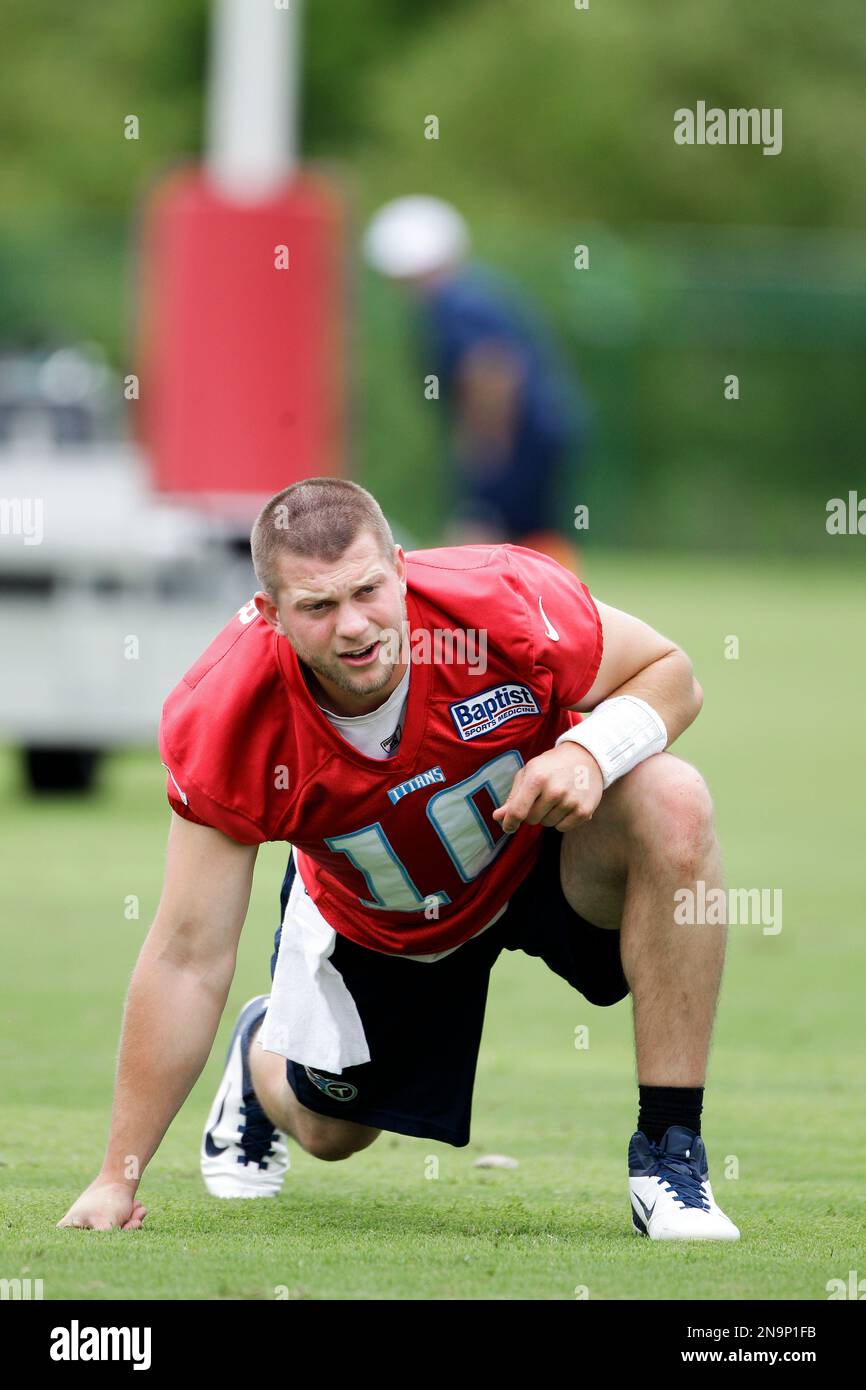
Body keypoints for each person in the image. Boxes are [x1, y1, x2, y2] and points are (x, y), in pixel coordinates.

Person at [58, 476, 738, 1242]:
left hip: (539, 842)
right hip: (384, 915)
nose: (354, 626)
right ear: (271, 615)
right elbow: (188, 955)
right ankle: (260, 1054)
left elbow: (672, 673)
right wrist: (118, 1177)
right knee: (334, 1135)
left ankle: (670, 1157)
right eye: (318, 607)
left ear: (402, 569)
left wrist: (588, 749)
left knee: (673, 798)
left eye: (368, 592)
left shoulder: (499, 598)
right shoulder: (232, 714)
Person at [363, 196, 587, 570]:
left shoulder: (454, 302)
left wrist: (485, 437)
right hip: (542, 425)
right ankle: (553, 605)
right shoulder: (476, 291)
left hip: (518, 431)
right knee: (533, 527)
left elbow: (490, 367)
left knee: (480, 521)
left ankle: (475, 605)